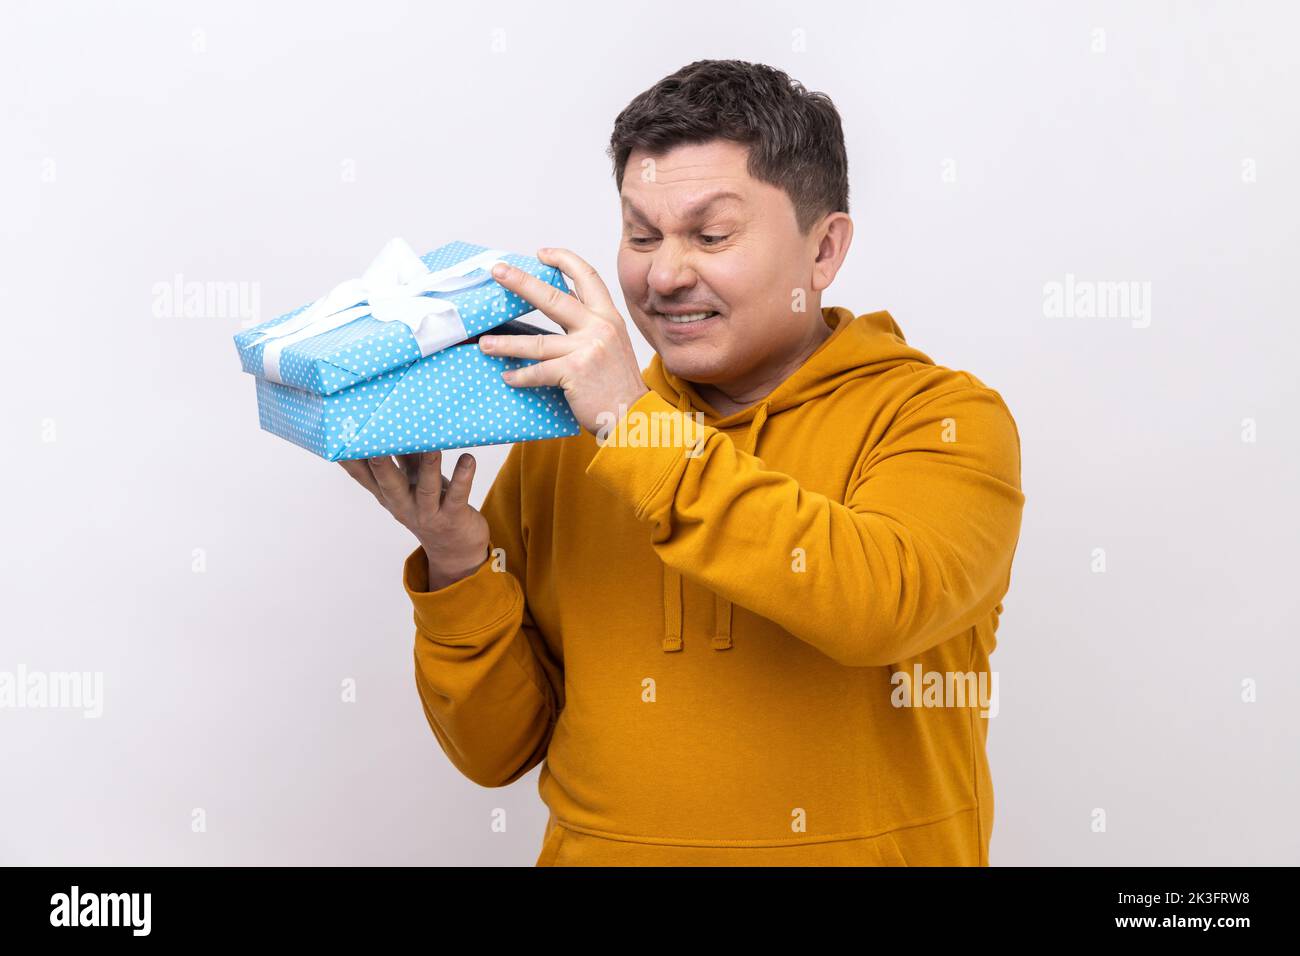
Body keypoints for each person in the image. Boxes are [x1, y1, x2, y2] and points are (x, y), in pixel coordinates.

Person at [341, 59, 1025, 866]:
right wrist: (459, 569)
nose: (664, 276)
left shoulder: (943, 419)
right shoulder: (569, 437)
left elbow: (877, 606)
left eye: (711, 235)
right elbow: (496, 753)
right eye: (640, 235)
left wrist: (637, 429)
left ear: (825, 248)